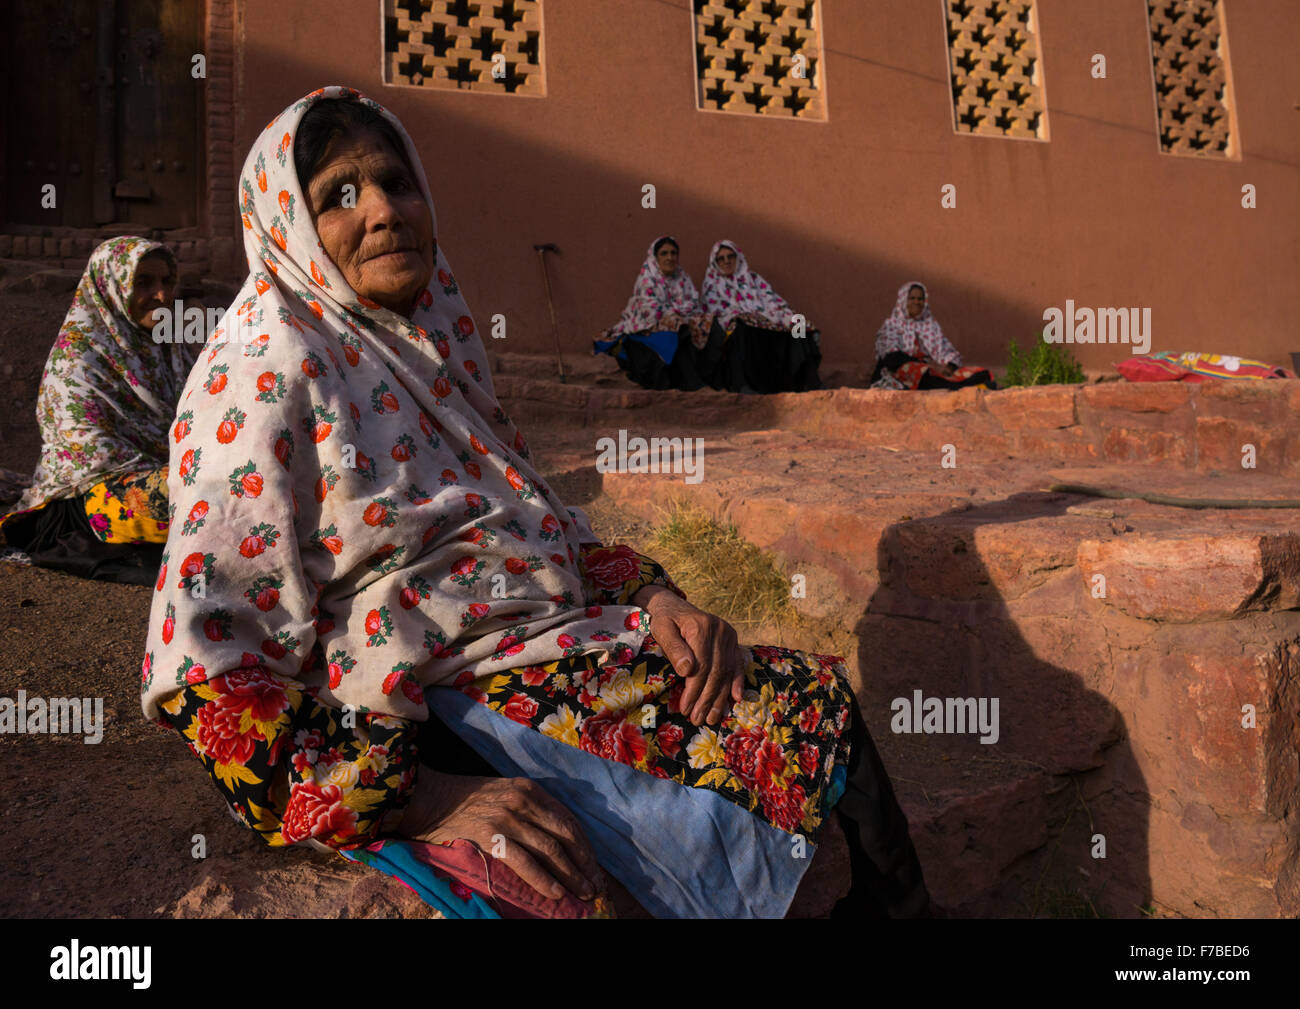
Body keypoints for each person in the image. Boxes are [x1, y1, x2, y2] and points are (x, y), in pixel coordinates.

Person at [141, 86, 931, 919]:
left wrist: (657, 596)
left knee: (798, 698)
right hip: (419, 713)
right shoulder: (265, 366)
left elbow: (533, 517)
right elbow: (204, 664)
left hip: (536, 647)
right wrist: (427, 798)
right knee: (616, 852)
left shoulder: (425, 346)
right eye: (339, 195)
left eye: (396, 183)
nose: (381, 211)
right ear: (287, 223)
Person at [0, 237, 200, 584]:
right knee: (190, 498)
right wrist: (183, 469)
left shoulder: (172, 350)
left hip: (171, 472)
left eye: (167, 282)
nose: (162, 296)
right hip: (87, 497)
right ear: (110, 286)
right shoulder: (77, 359)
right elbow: (91, 450)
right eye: (143, 282)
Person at [593, 237, 722, 391]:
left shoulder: (683, 278)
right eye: (664, 253)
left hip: (679, 322)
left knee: (710, 323)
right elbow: (651, 311)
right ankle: (693, 383)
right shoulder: (648, 279)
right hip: (648, 329)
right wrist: (676, 312)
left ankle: (715, 380)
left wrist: (677, 312)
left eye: (674, 253)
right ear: (655, 257)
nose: (670, 258)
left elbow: (693, 304)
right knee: (679, 326)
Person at [700, 239, 822, 393]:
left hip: (765, 322)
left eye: (731, 256)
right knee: (740, 325)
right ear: (715, 261)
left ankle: (810, 381)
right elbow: (715, 312)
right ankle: (743, 384)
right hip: (740, 328)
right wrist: (746, 315)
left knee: (799, 323)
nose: (727, 261)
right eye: (721, 258)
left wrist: (781, 317)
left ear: (738, 257)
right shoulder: (712, 284)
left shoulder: (753, 279)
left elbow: (773, 301)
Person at [870, 281, 995, 390]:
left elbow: (946, 351)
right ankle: (963, 389)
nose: (917, 302)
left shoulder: (930, 325)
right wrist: (928, 366)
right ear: (903, 300)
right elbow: (891, 358)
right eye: (912, 298)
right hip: (902, 371)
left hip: (933, 370)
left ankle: (963, 387)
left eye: (920, 299)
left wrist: (949, 366)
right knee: (919, 372)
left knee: (979, 373)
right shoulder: (892, 325)